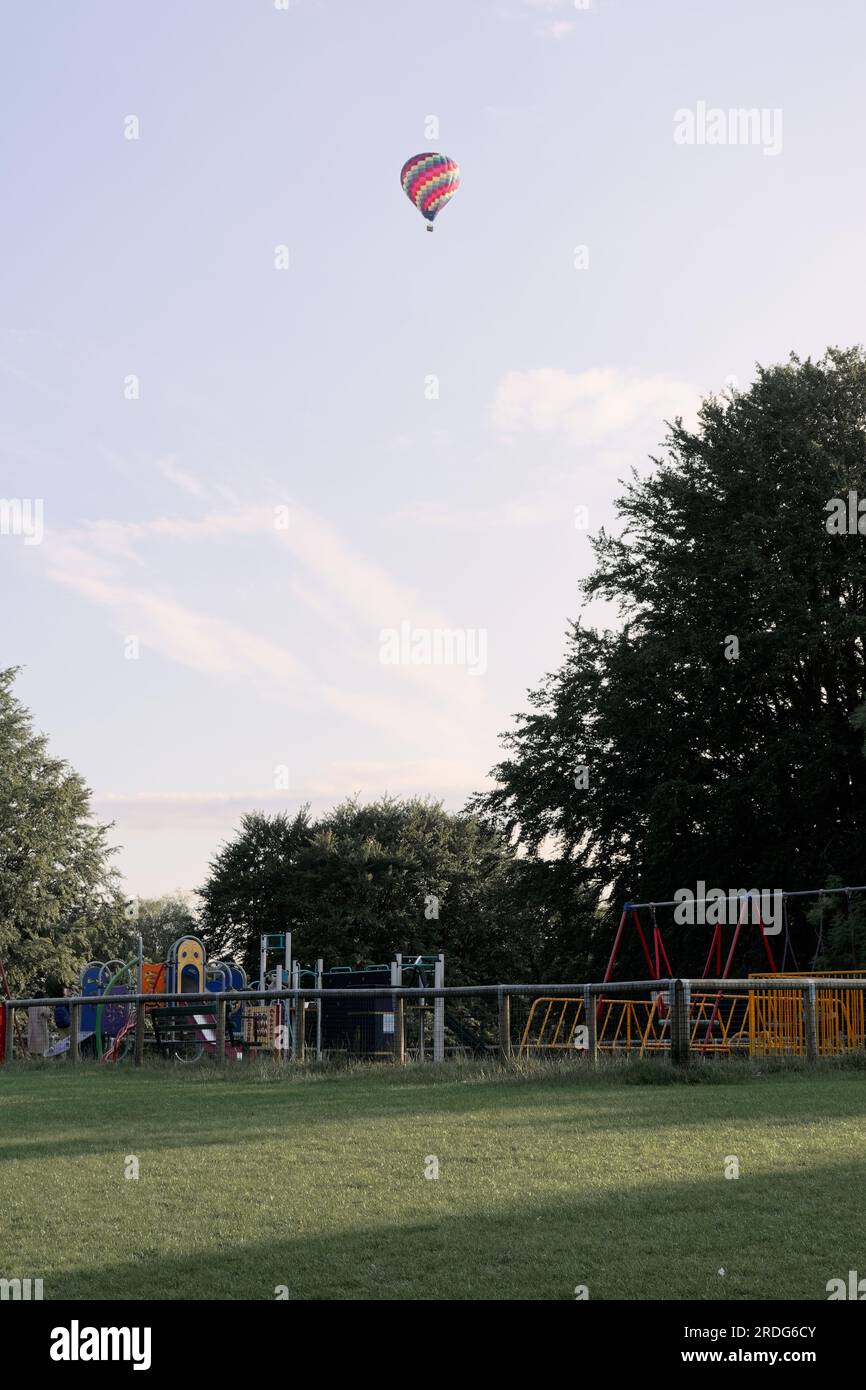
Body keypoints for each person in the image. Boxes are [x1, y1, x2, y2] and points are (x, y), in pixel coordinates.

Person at [27, 994, 52, 1058]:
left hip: (32, 1031)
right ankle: (41, 1065)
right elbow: (49, 1014)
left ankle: (34, 1064)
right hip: (41, 1031)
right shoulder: (41, 1006)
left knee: (33, 1051)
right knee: (42, 1051)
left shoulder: (30, 1007)